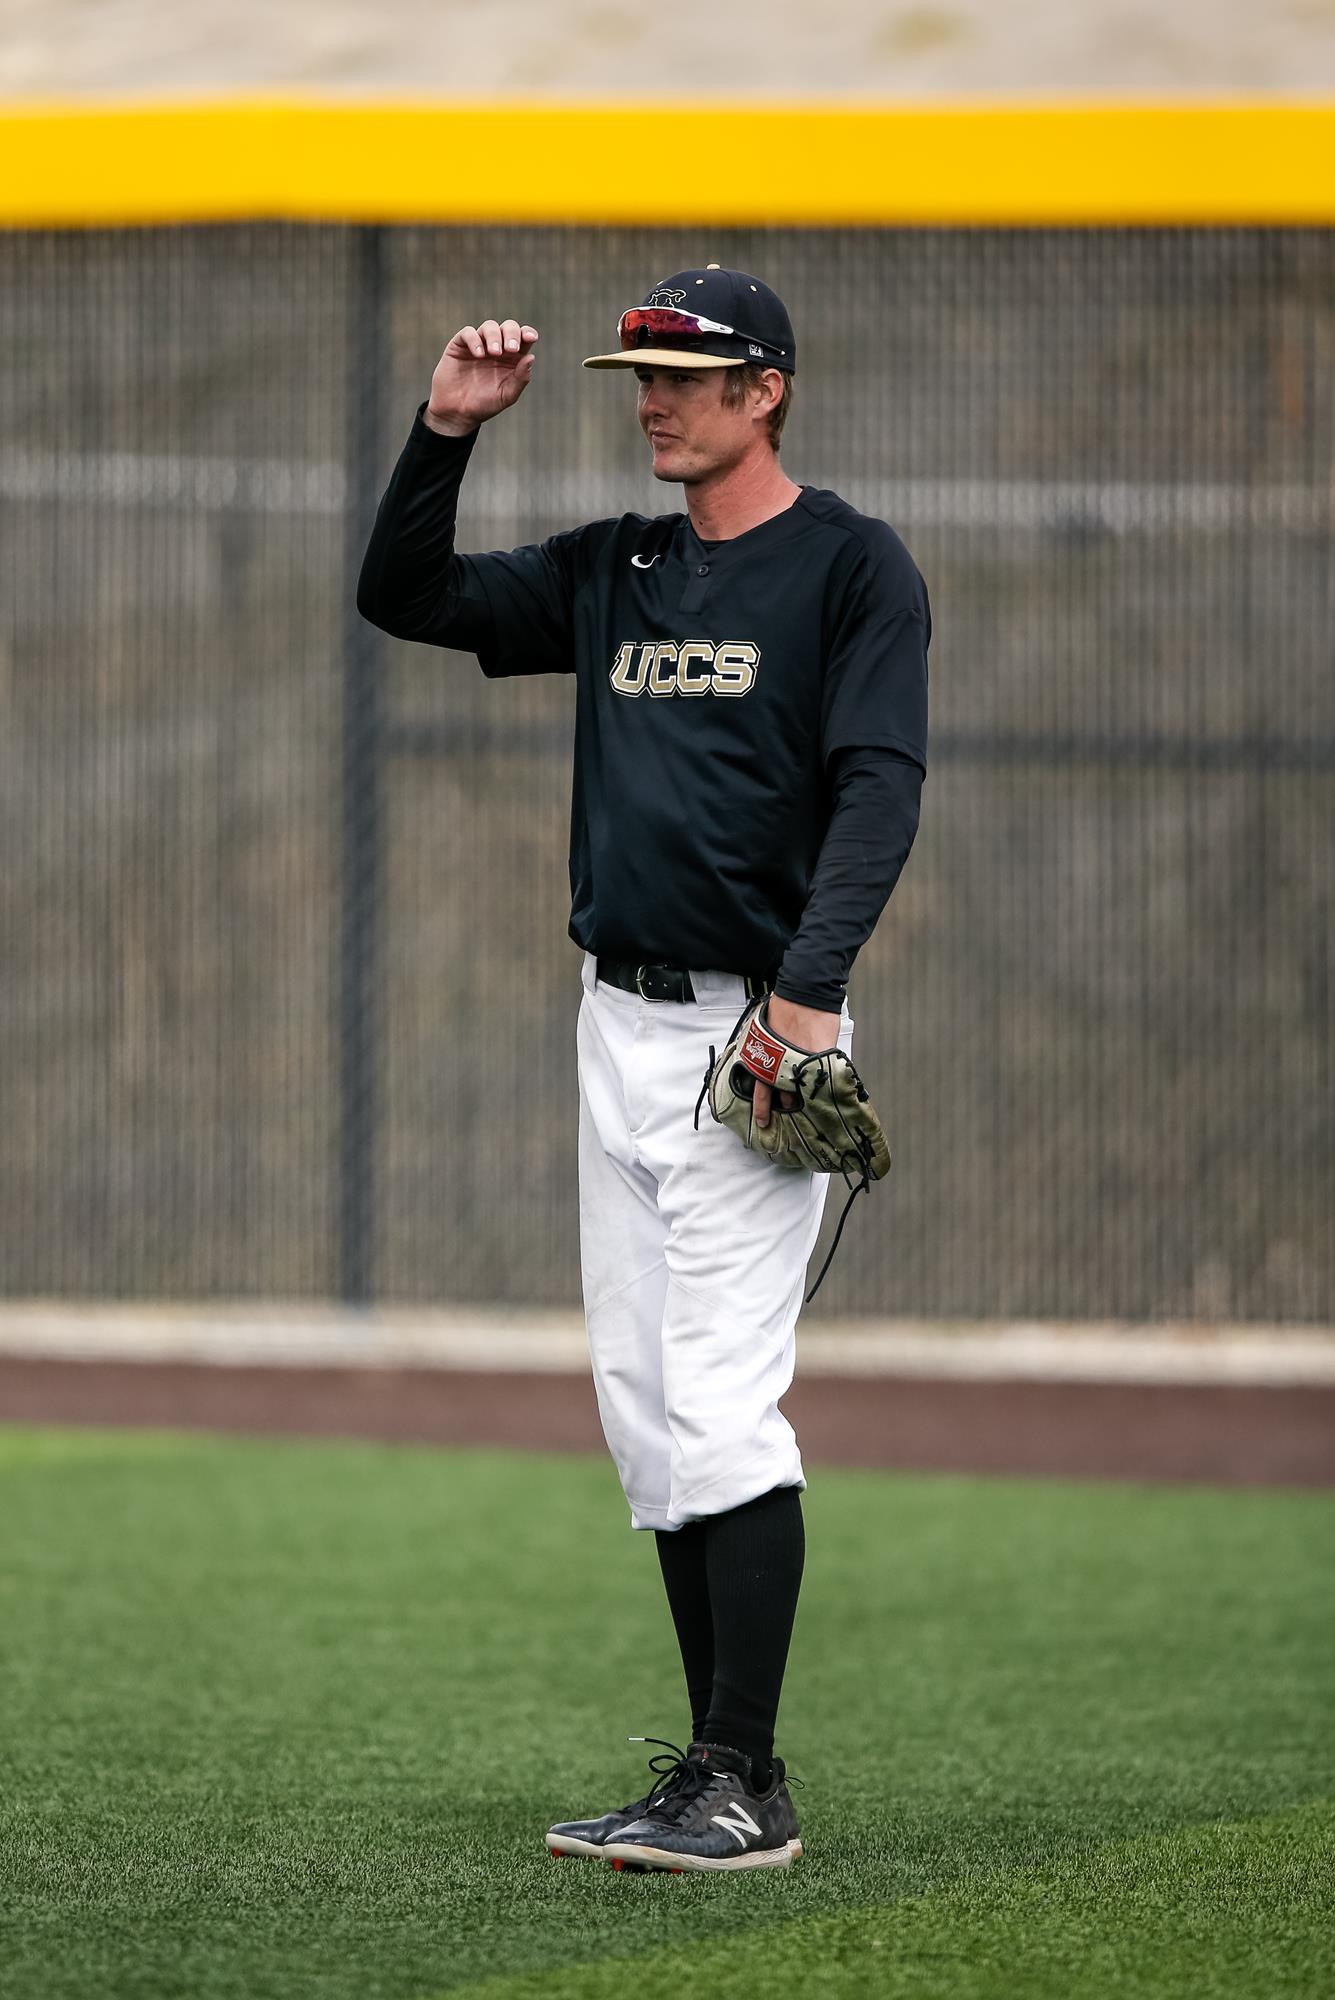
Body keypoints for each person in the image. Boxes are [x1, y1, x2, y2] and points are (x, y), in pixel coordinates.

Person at [358, 266, 929, 1873]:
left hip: (755, 1036)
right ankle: (709, 1775)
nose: (651, 398)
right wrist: (443, 435)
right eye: (640, 374)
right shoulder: (619, 569)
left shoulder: (851, 569)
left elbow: (878, 790)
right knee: (647, 1412)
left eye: (684, 373)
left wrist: (809, 999)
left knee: (726, 1408)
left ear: (768, 390)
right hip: (615, 1021)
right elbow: (407, 598)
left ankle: (744, 1779)